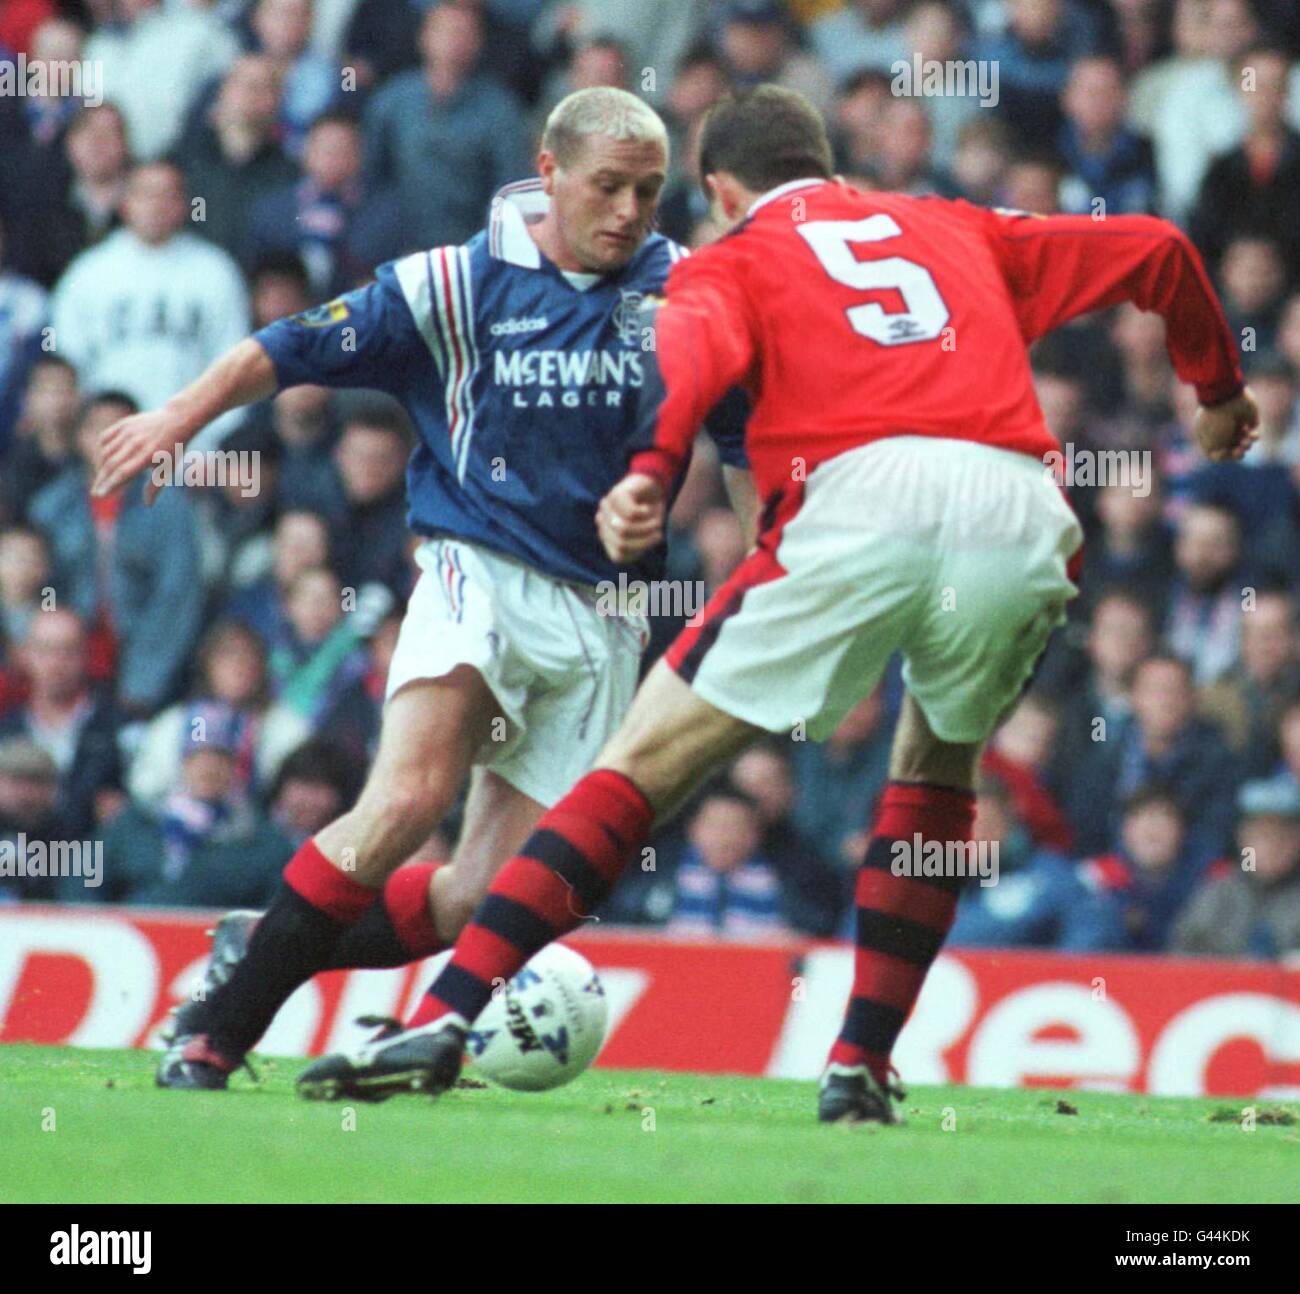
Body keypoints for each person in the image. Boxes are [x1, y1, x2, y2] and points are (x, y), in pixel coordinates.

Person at [304, 84, 1258, 1122]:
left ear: (717, 190)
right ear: (832, 167)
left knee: (642, 763)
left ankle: (447, 1012)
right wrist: (1217, 393)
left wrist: (651, 465)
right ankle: (857, 1064)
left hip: (860, 496)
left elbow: (694, 350)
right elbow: (1161, 247)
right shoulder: (953, 224)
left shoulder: (731, 260)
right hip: (1017, 503)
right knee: (938, 770)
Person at [89, 87, 752, 1090]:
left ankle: (262, 943)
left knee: (493, 897)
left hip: (607, 616)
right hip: (473, 569)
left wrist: (756, 568)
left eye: (648, 191)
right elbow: (288, 345)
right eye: (608, 185)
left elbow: (745, 440)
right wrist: (177, 417)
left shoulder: (691, 292)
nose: (627, 210)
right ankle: (214, 1034)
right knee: (405, 798)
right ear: (550, 169)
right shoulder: (454, 282)